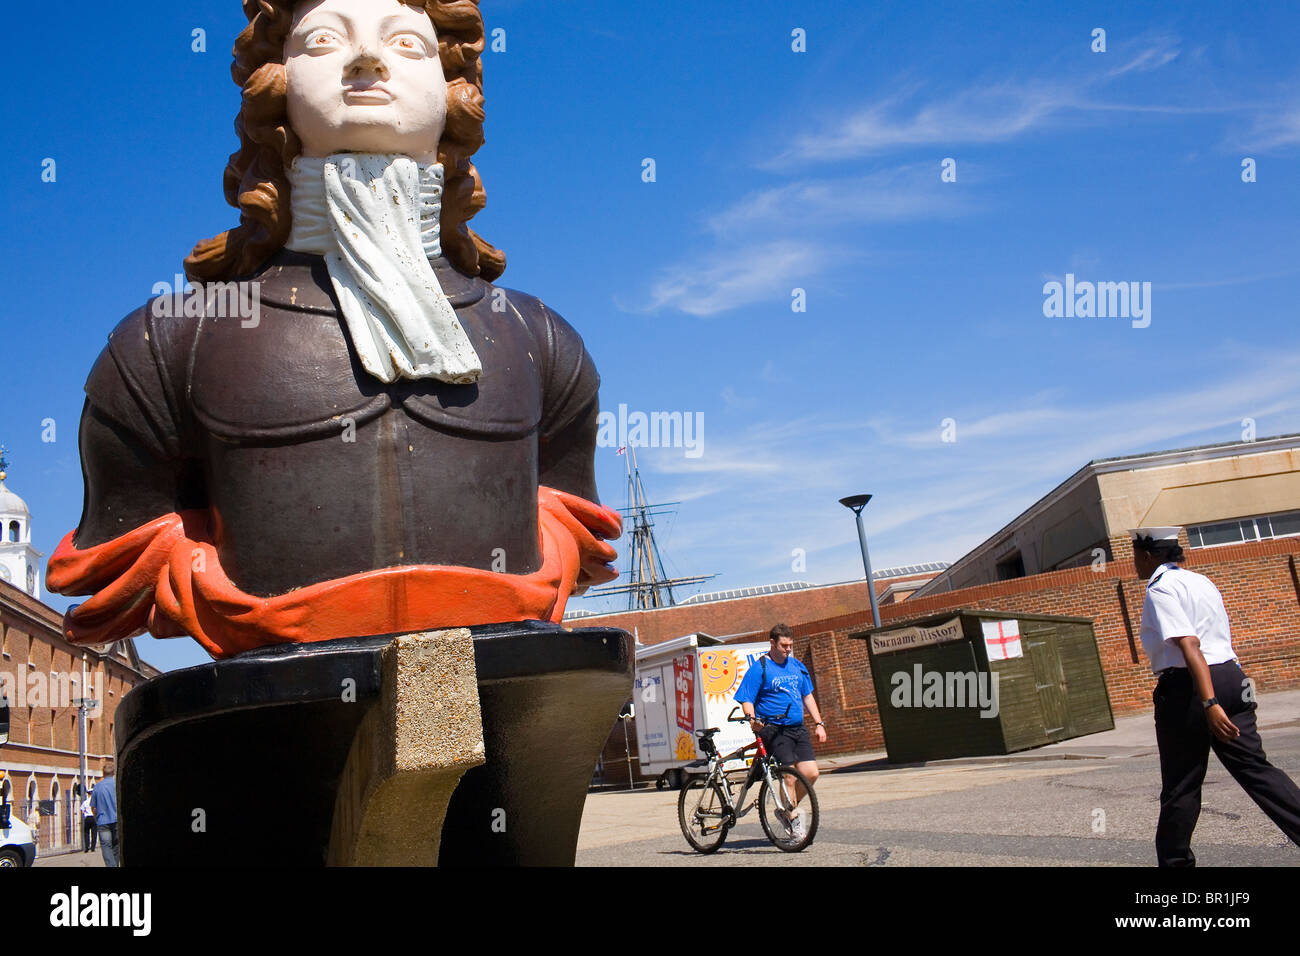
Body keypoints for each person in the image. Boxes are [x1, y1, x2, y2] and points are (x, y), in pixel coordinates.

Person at [1132, 526, 1300, 866]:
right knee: (1257, 770)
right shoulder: (1202, 581)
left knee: (1182, 785)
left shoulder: (1161, 588)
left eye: (1135, 556)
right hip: (1231, 676)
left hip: (1190, 688)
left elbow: (1190, 644)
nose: (1133, 564)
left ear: (1149, 555)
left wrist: (1208, 703)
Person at [735, 623, 827, 838]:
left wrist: (819, 723)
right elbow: (747, 698)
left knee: (811, 773)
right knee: (789, 776)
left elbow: (807, 696)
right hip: (773, 729)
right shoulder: (760, 668)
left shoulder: (797, 666)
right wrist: (752, 720)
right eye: (784, 645)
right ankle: (793, 819)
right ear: (772, 643)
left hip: (797, 728)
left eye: (790, 645)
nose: (787, 649)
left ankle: (786, 811)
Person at [91, 762, 119, 867]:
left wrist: (96, 818)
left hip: (103, 821)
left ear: (103, 773)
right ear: (113, 772)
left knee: (106, 847)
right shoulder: (117, 784)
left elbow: (93, 807)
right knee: (116, 847)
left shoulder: (97, 787)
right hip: (116, 820)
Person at [80, 788, 97, 853]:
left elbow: (82, 810)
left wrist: (85, 814)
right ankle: (93, 848)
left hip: (87, 818)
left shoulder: (85, 802)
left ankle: (87, 847)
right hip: (93, 817)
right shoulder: (95, 801)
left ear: (88, 794)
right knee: (94, 833)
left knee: (86, 833)